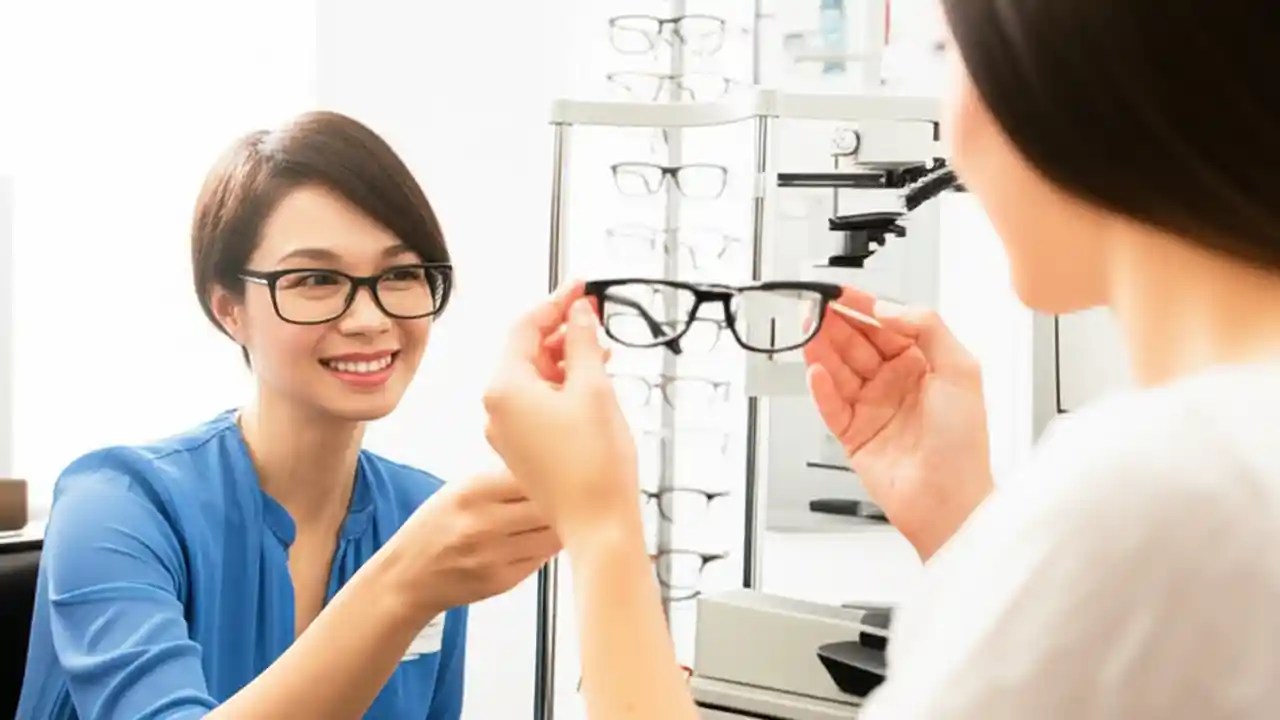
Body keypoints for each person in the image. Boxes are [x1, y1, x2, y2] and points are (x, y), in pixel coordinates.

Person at [482, 2, 1280, 719]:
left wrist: (600, 527)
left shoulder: (1165, 485)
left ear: (1064, 69)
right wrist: (963, 520)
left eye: (946, 51)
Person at [18, 111, 559, 719]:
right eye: (317, 279)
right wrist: (406, 584)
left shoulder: (421, 516)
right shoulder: (117, 504)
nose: (369, 320)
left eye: (402, 274)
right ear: (229, 308)